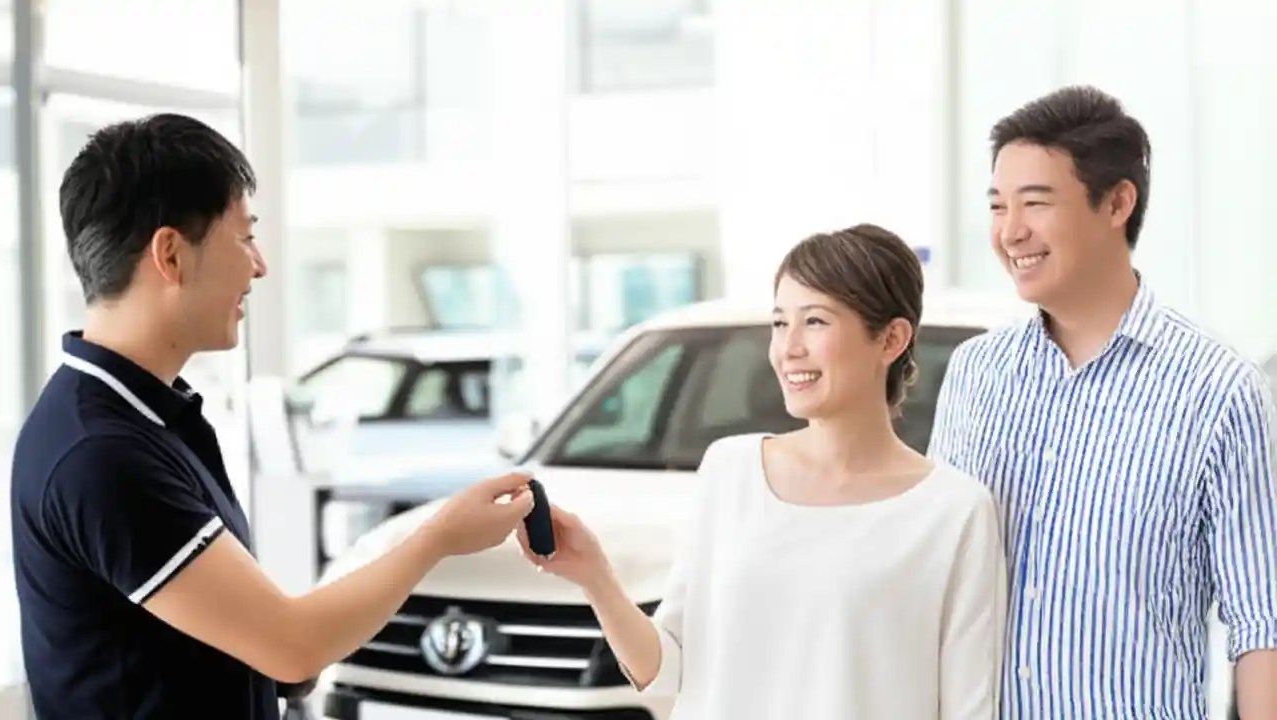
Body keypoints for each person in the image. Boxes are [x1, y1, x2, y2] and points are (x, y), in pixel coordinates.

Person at [9, 114, 535, 719]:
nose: (259, 267)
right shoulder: (100, 453)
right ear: (171, 255)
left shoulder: (136, 416)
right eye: (244, 237)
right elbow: (293, 648)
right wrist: (439, 538)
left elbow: (252, 642)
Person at [518, 224, 1008, 719]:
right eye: (779, 323)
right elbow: (666, 674)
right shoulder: (731, 471)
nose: (788, 348)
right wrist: (595, 577)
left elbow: (969, 707)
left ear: (891, 339)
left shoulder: (953, 510)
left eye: (815, 321)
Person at [928, 85, 1277, 719]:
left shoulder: (1218, 390)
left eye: (1035, 203)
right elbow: (932, 578)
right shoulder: (975, 375)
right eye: (998, 205)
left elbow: (1263, 626)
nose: (1010, 232)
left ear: (1117, 202)